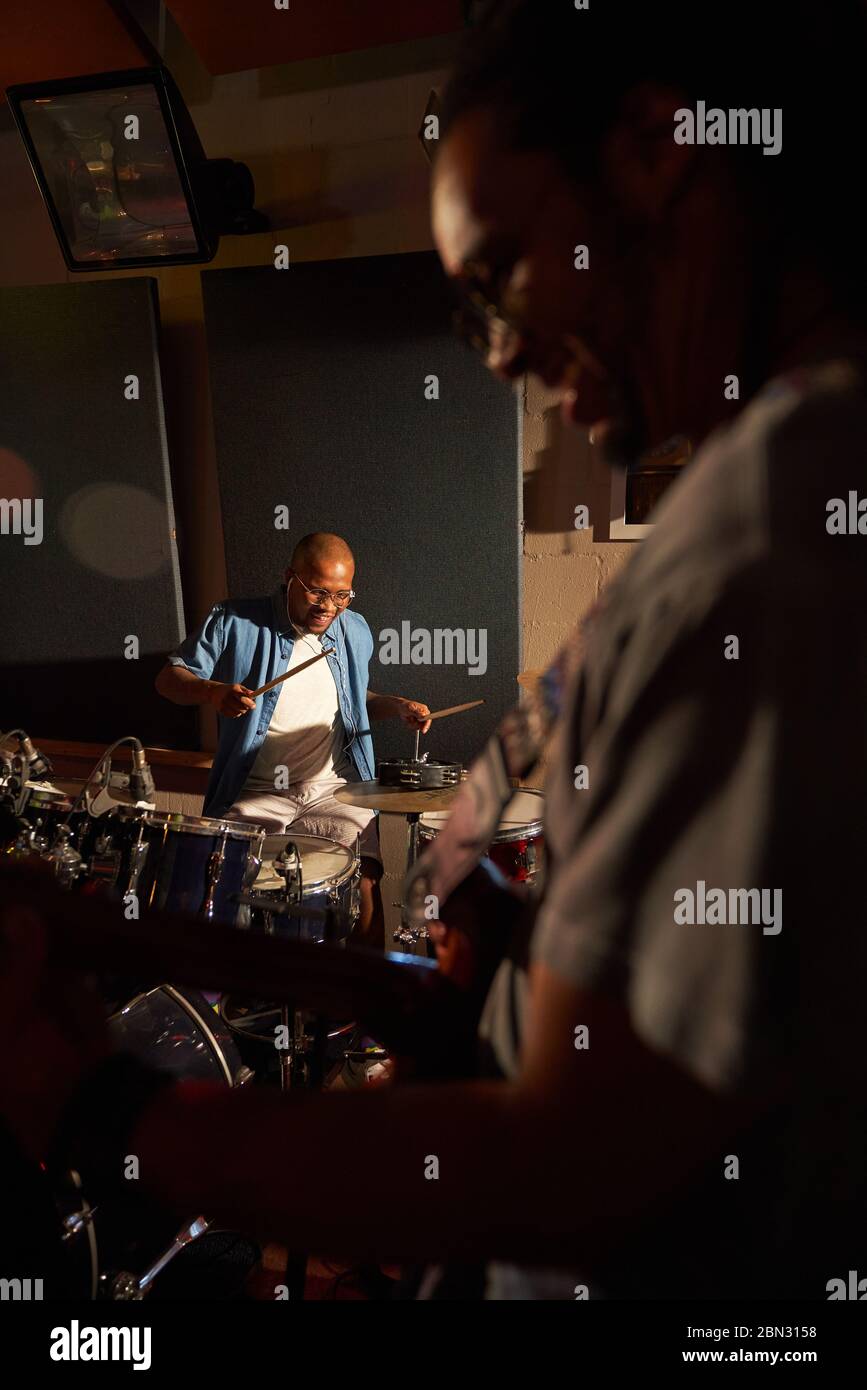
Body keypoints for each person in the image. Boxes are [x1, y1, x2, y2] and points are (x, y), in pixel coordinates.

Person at [4, 0, 867, 1299]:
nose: (502, 353)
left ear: (651, 144)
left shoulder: (768, 532)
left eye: (497, 274)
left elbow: (568, 1165)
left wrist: (104, 1113)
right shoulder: (758, 490)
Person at [155, 532, 431, 946]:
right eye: (318, 592)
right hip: (257, 789)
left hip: (332, 789)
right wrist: (212, 692)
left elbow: (353, 701)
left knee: (364, 885)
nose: (329, 607)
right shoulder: (234, 620)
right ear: (290, 578)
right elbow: (169, 680)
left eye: (342, 596)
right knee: (228, 888)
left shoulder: (354, 630)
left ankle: (362, 1003)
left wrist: (395, 705)